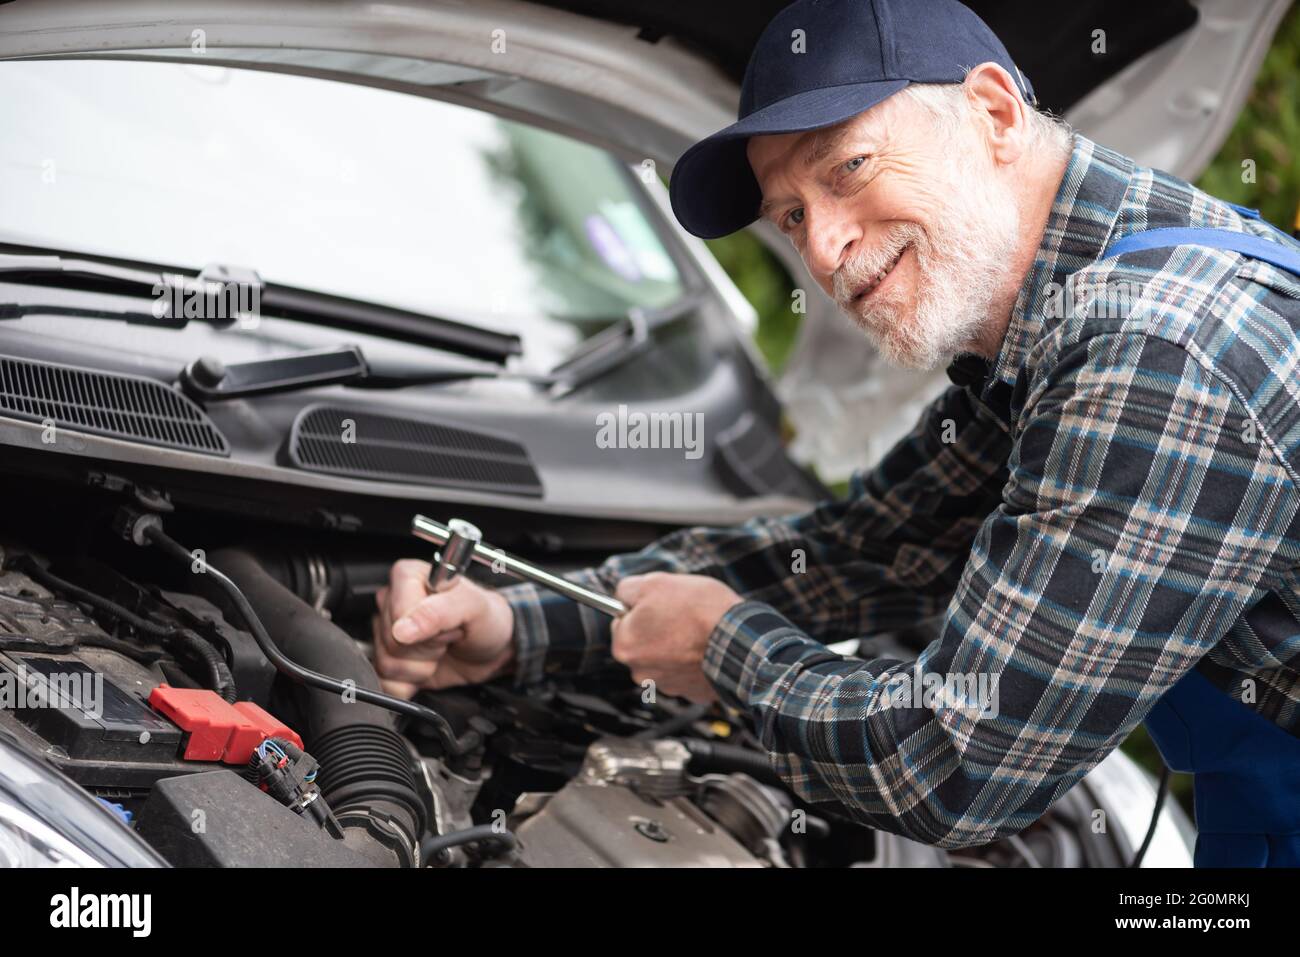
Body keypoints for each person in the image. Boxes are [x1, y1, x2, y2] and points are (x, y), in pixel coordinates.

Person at [375, 0, 1300, 865]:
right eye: (791, 215)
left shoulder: (1162, 352)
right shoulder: (1065, 317)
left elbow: (954, 763)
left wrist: (720, 648)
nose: (819, 250)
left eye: (847, 168)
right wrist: (515, 622)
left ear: (994, 114)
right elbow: (868, 551)